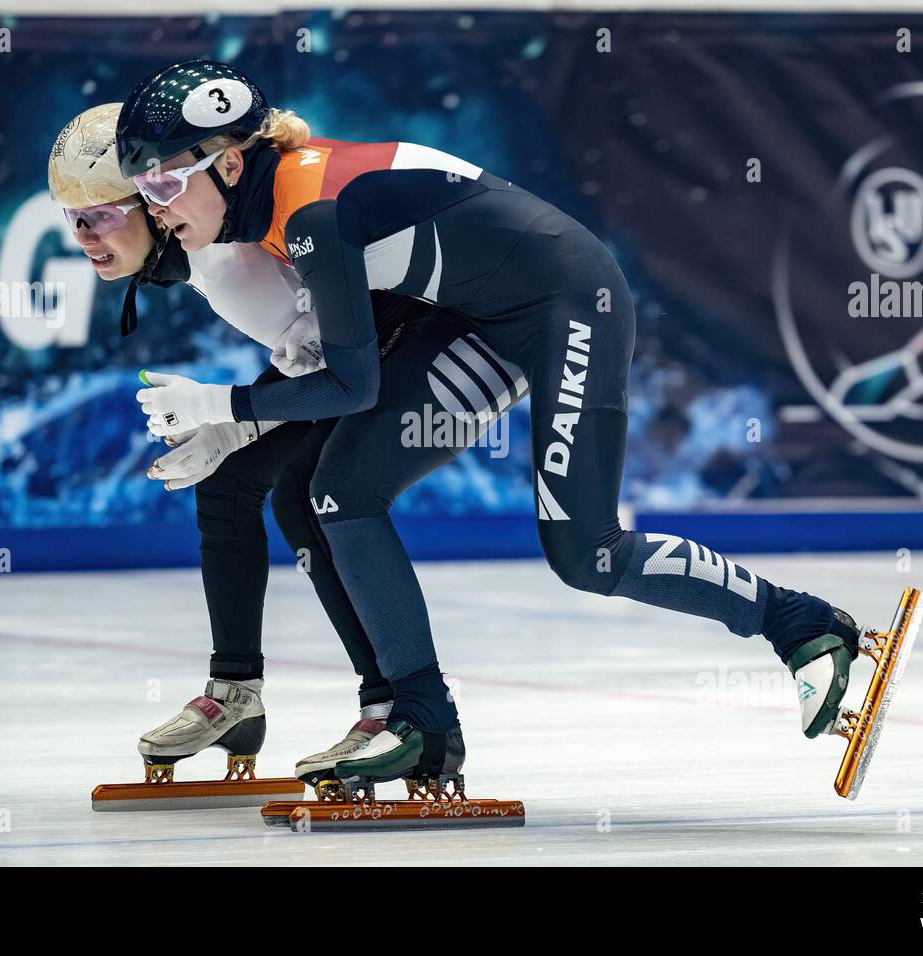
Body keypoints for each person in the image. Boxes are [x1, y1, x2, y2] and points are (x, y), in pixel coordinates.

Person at [118, 61, 876, 793]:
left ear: (229, 165)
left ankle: (799, 623)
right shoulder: (275, 208)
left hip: (568, 306)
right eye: (141, 186)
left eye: (163, 180)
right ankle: (423, 720)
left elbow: (352, 383)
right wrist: (240, 417)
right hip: (470, 320)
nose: (153, 205)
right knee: (339, 491)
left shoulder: (310, 211)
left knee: (588, 553)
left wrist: (227, 407)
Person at [48, 102, 525, 785]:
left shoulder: (221, 263)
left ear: (151, 203)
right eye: (72, 220)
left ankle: (386, 707)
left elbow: (322, 364)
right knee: (241, 485)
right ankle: (244, 694)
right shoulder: (208, 247)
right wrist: (233, 426)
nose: (83, 237)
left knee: (304, 493)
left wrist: (233, 420)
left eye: (96, 216)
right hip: (390, 334)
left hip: (434, 333)